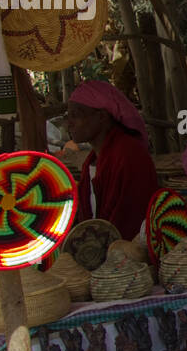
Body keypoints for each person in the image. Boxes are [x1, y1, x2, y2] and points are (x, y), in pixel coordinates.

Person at [65, 80, 159, 240]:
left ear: (101, 116)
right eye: (68, 116)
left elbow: (130, 222)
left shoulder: (129, 154)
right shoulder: (92, 161)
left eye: (76, 115)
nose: (69, 124)